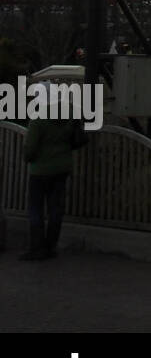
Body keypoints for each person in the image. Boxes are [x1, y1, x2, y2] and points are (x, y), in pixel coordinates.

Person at [22, 84, 79, 261]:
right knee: (56, 209)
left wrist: (27, 158)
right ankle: (50, 247)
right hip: (62, 168)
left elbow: (30, 149)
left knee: (36, 209)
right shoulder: (69, 114)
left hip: (40, 170)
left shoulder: (38, 119)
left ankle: (37, 248)